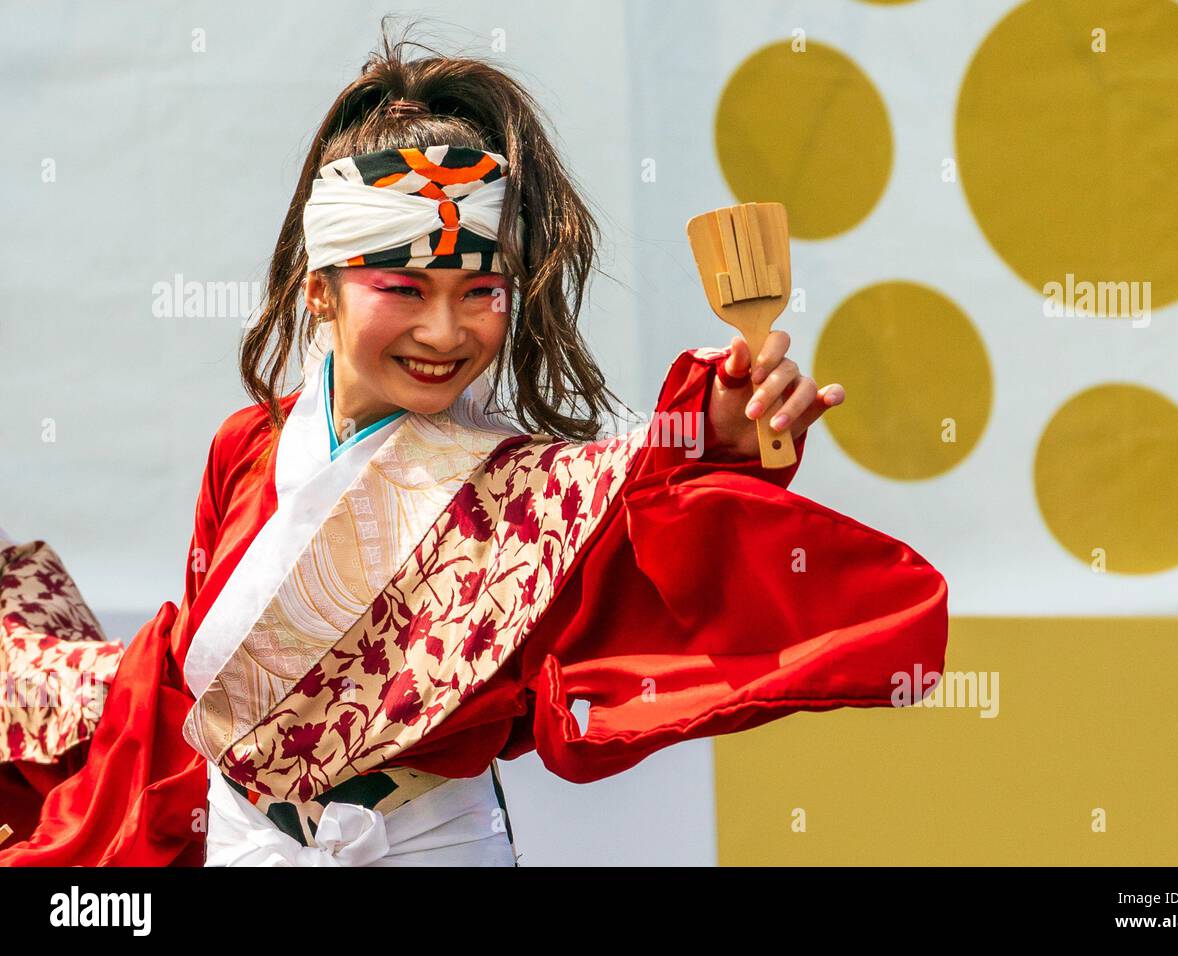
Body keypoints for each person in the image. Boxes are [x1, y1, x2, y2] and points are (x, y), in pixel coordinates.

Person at [0, 27, 948, 867]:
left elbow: (647, 562)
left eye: (479, 291)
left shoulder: (529, 495)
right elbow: (200, 682)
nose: (447, 332)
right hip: (247, 839)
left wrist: (717, 446)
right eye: (404, 290)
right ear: (320, 287)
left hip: (428, 843)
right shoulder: (246, 448)